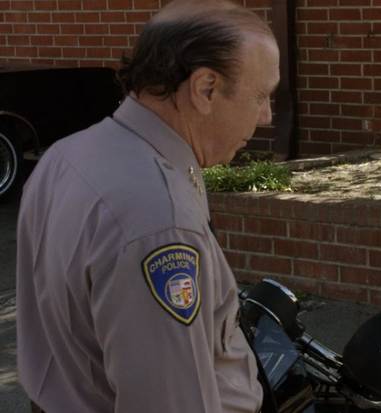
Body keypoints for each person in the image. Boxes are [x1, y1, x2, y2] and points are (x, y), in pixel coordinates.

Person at [16, 1, 279, 411]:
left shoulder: (66, 155)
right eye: (261, 95)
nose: (266, 116)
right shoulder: (159, 219)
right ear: (205, 88)